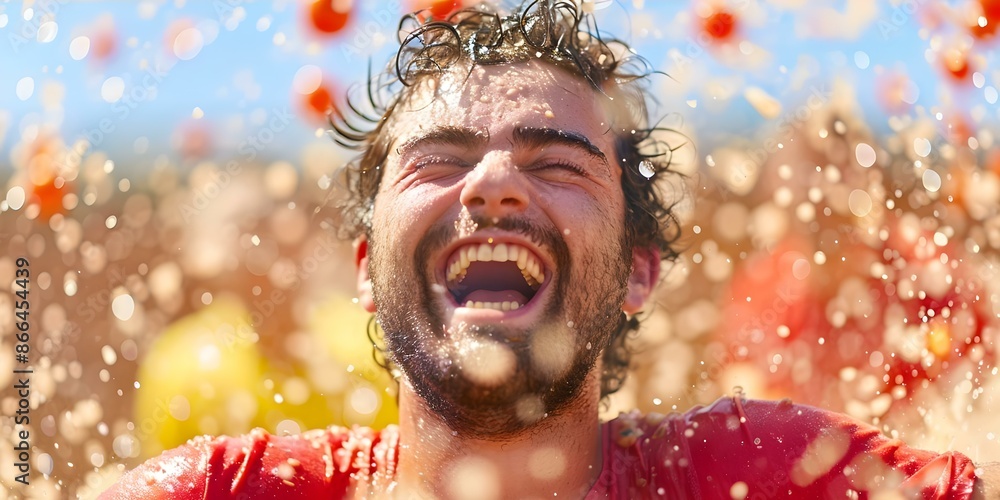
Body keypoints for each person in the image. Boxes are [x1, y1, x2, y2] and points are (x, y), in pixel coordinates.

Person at [102, 1, 998, 498]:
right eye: (442, 159)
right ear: (369, 272)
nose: (493, 185)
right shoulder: (230, 493)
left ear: (639, 272)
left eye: (557, 163)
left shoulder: (755, 477)